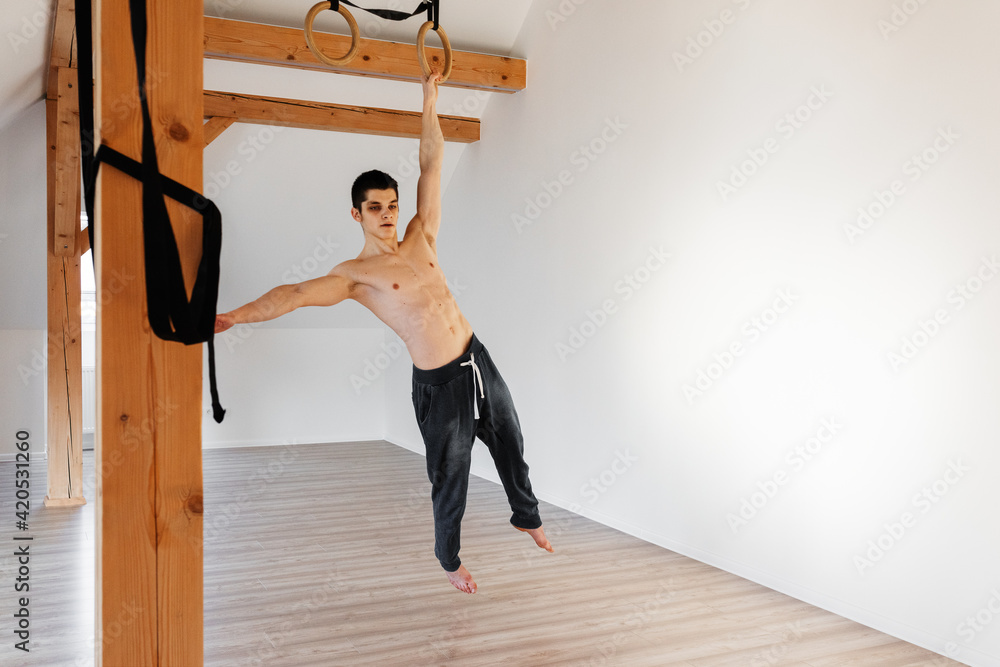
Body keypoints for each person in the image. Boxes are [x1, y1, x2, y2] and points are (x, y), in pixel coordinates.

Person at [214, 71, 553, 594]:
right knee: (451, 473)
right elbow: (295, 293)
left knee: (511, 438)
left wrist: (430, 98)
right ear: (357, 213)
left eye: (392, 205)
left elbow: (432, 162)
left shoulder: (422, 235)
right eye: (376, 208)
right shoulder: (355, 276)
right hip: (438, 382)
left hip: (475, 357)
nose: (388, 215)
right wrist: (234, 316)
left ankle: (525, 514)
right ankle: (448, 559)